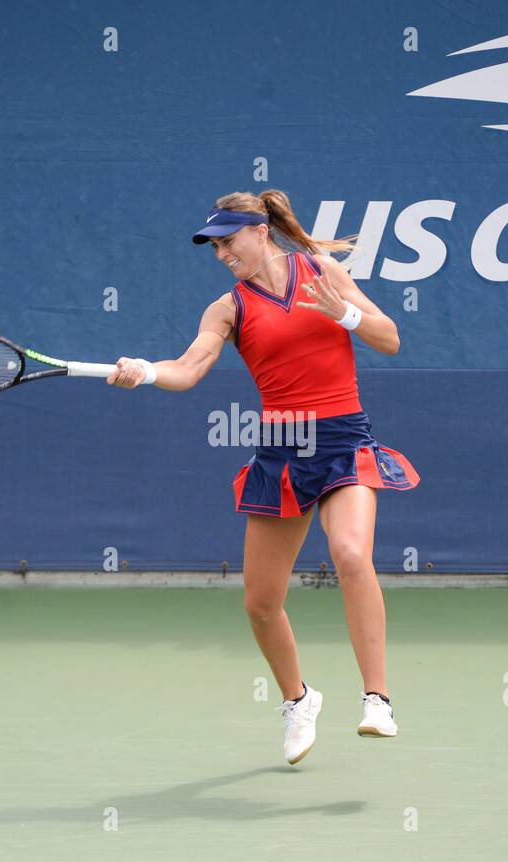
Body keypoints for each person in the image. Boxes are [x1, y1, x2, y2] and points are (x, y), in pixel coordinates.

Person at [106, 189, 420, 765]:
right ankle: (298, 700)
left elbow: (391, 338)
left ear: (260, 231)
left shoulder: (322, 272)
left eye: (229, 240)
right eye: (214, 246)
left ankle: (378, 698)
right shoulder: (226, 309)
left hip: (344, 438)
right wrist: (146, 371)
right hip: (281, 449)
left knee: (352, 554)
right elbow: (189, 368)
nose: (222, 253)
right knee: (260, 602)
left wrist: (343, 313)